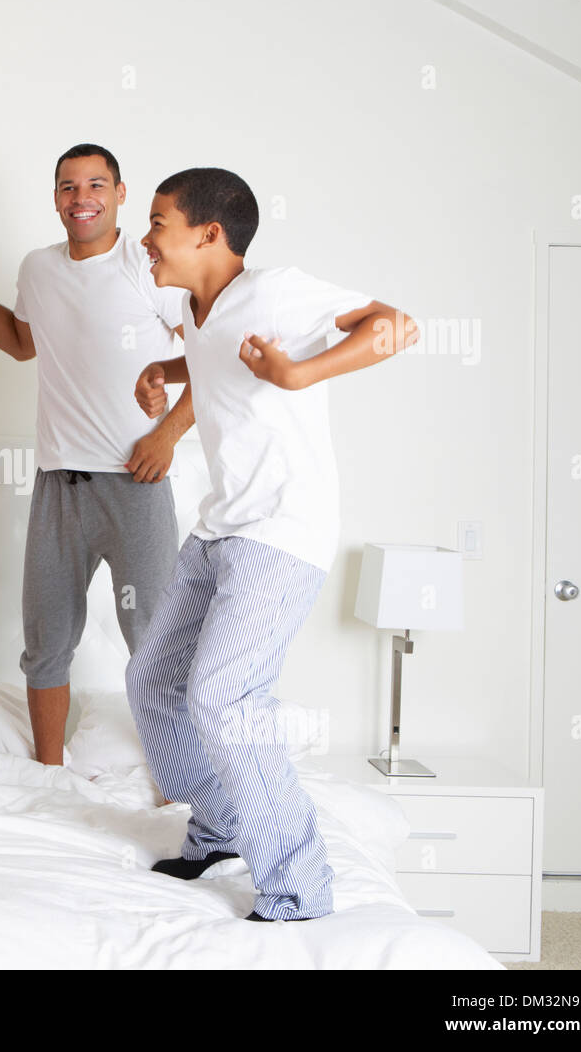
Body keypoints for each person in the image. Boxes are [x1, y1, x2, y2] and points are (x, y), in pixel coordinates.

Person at [127, 167, 420, 921]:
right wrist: (163, 372)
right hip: (220, 525)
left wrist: (298, 372)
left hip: (282, 532)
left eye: (158, 222)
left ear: (208, 234)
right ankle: (222, 823)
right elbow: (213, 359)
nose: (145, 237)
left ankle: (300, 885)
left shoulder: (278, 292)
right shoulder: (196, 308)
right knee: (154, 680)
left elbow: (396, 325)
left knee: (225, 695)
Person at [0, 143, 192, 764]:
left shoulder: (149, 266)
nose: (82, 199)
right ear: (55, 198)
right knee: (46, 642)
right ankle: (48, 775)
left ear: (121, 194)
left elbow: (213, 360)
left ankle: (176, 782)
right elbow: (22, 343)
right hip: (58, 487)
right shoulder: (38, 269)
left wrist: (168, 435)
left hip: (136, 483)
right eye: (68, 187)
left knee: (154, 642)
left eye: (96, 185)